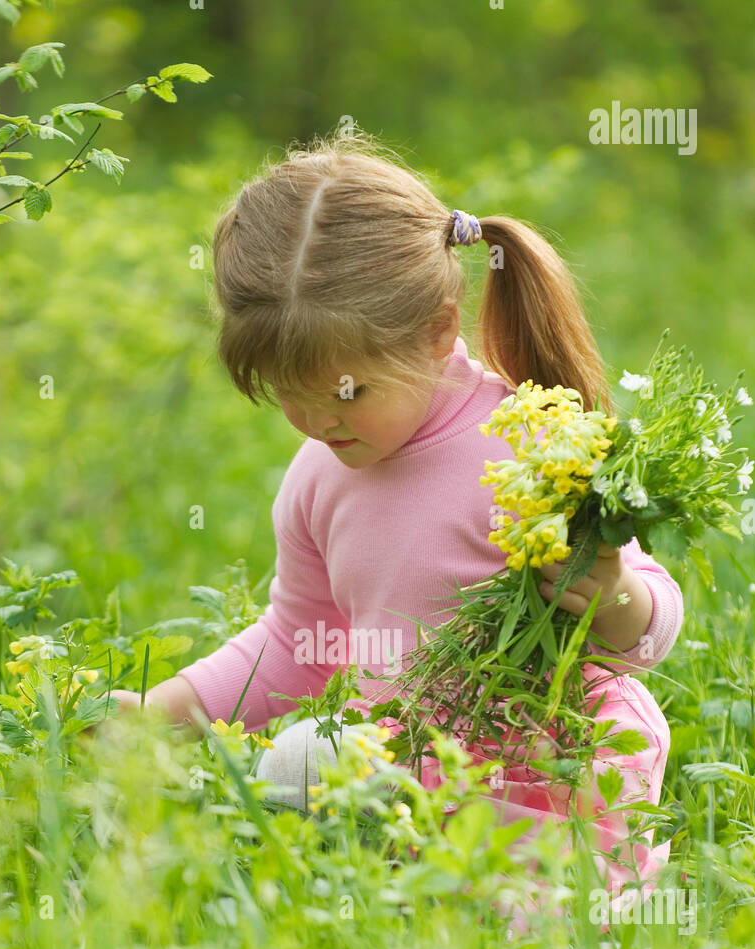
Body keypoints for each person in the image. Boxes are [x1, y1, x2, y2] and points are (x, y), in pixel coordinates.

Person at [110, 133, 683, 909]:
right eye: (288, 392)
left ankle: (556, 903)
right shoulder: (320, 478)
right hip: (408, 764)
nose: (313, 420)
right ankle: (384, 897)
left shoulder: (530, 446)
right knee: (300, 761)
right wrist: (159, 716)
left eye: (345, 393)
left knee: (525, 918)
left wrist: (611, 589)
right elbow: (296, 644)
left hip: (548, 763)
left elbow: (647, 633)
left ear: (437, 334)